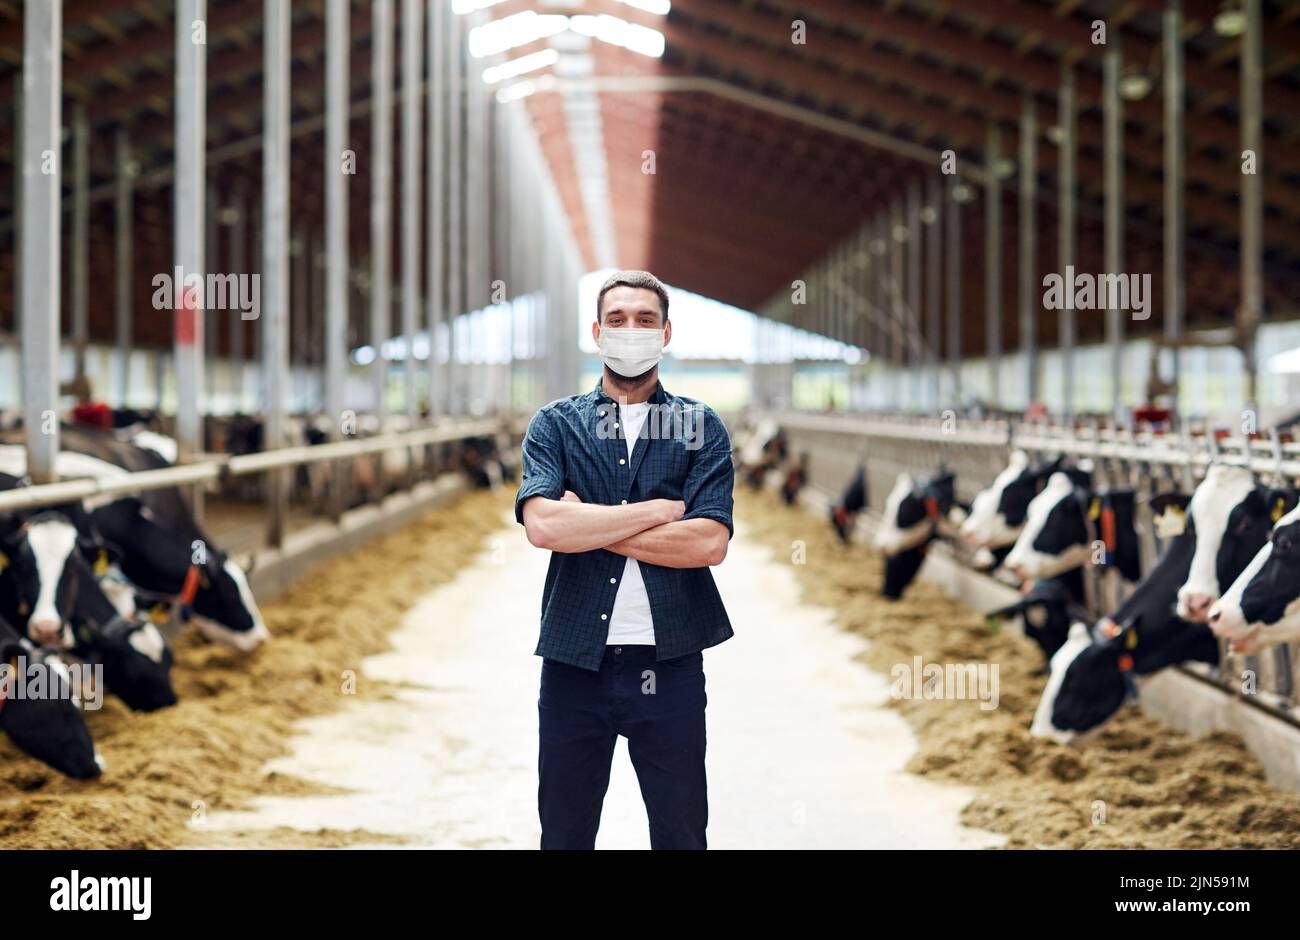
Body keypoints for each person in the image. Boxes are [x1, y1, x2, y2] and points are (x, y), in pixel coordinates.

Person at [515, 270, 735, 850]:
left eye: (643, 320)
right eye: (617, 320)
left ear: (665, 333)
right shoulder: (555, 425)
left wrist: (587, 522)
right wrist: (660, 511)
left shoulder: (699, 426)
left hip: (670, 666)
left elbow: (708, 543)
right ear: (596, 332)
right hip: (573, 666)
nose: (630, 331)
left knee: (681, 832)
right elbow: (542, 526)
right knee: (564, 834)